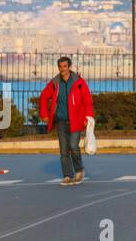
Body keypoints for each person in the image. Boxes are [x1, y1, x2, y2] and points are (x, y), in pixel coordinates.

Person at [37, 56, 94, 186]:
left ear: (69, 67)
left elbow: (87, 101)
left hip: (76, 121)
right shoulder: (55, 83)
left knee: (74, 146)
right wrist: (44, 114)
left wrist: (88, 117)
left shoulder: (79, 82)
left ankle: (79, 171)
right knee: (63, 151)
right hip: (61, 121)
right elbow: (44, 96)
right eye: (60, 66)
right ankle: (67, 175)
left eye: (65, 66)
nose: (62, 69)